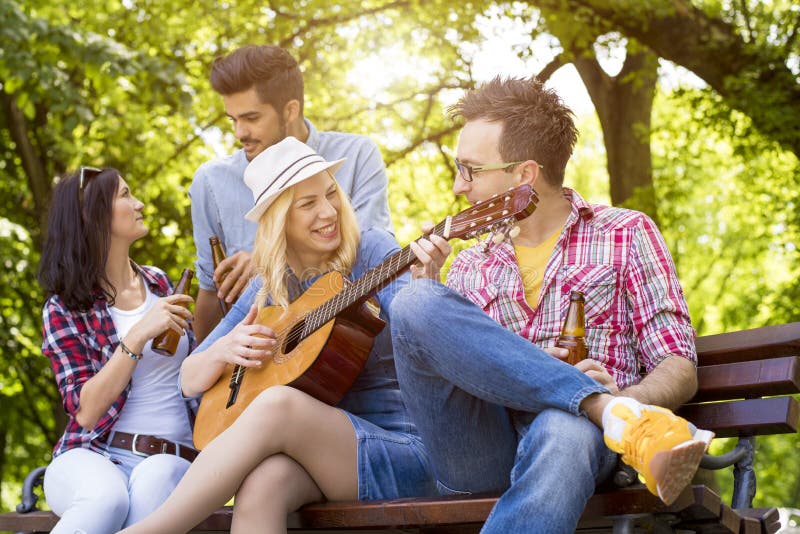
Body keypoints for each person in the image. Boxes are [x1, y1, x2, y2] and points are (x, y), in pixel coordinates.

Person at [391, 76, 714, 533]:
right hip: (483, 451)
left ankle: (609, 413)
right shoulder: (468, 266)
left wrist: (630, 398)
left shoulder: (626, 234)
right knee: (415, 300)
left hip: (577, 449)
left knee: (562, 428)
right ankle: (605, 411)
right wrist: (429, 303)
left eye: (470, 169)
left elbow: (678, 365)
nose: (458, 186)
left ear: (524, 174)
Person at [120, 137, 435, 534]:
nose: (328, 211)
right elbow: (187, 380)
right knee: (261, 484)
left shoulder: (371, 250)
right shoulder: (268, 285)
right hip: (324, 457)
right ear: (278, 218)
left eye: (330, 194)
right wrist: (223, 349)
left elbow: (424, 339)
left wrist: (426, 287)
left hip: (402, 448)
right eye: (308, 203)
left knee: (277, 404)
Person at [192, 44, 394, 342]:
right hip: (261, 365)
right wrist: (204, 373)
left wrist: (268, 259)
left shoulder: (356, 155)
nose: (239, 133)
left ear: (290, 110)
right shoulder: (210, 181)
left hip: (348, 347)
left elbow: (365, 256)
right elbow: (210, 293)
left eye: (251, 118)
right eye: (232, 120)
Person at [37, 167, 197, 533]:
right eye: (125, 195)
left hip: (173, 457)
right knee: (106, 499)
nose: (138, 203)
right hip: (92, 454)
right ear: (93, 216)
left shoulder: (158, 282)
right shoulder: (64, 308)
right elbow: (87, 411)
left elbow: (195, 376)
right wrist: (139, 334)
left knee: (158, 477)